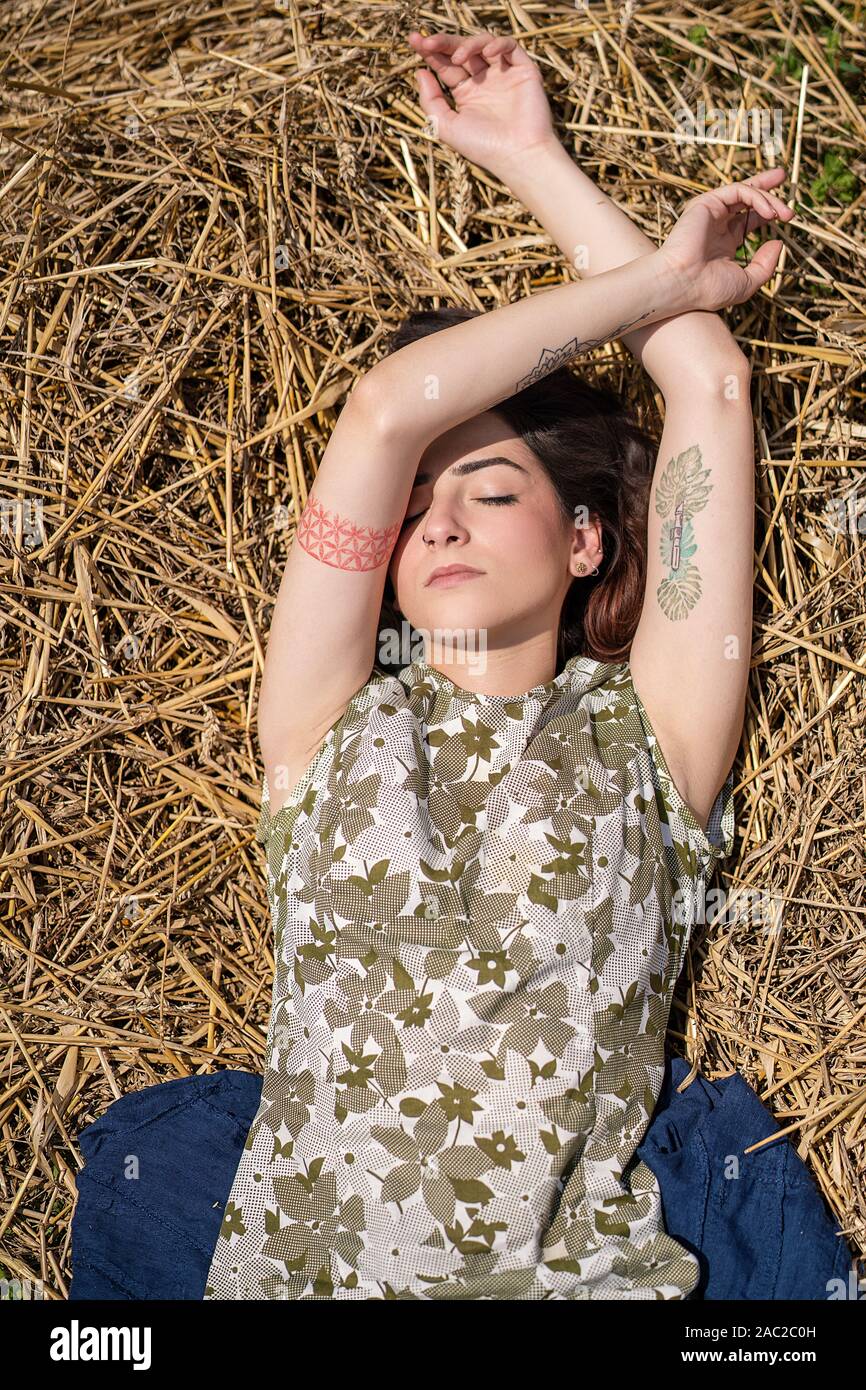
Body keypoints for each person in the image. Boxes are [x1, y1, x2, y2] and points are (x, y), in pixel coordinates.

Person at [69, 29, 854, 1301]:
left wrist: (550, 173)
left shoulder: (650, 737)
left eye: (491, 492)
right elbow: (384, 414)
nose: (436, 521)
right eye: (417, 507)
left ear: (587, 537)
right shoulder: (323, 724)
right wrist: (642, 265)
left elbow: (707, 383)